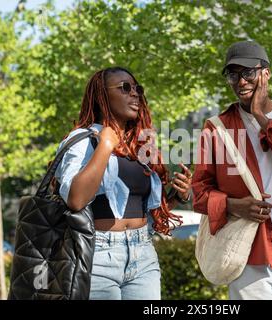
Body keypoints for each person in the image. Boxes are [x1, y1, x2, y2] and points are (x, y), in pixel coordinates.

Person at [192, 41, 272, 300]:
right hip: (247, 249)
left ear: (266, 73)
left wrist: (261, 115)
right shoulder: (216, 128)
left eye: (248, 72)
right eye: (233, 74)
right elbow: (199, 192)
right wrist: (233, 205)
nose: (241, 81)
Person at [54, 66, 192, 300]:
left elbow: (142, 207)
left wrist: (178, 195)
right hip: (97, 255)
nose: (135, 94)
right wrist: (106, 146)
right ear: (102, 96)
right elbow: (75, 199)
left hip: (143, 253)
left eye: (137, 88)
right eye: (125, 88)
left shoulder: (141, 146)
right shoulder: (82, 140)